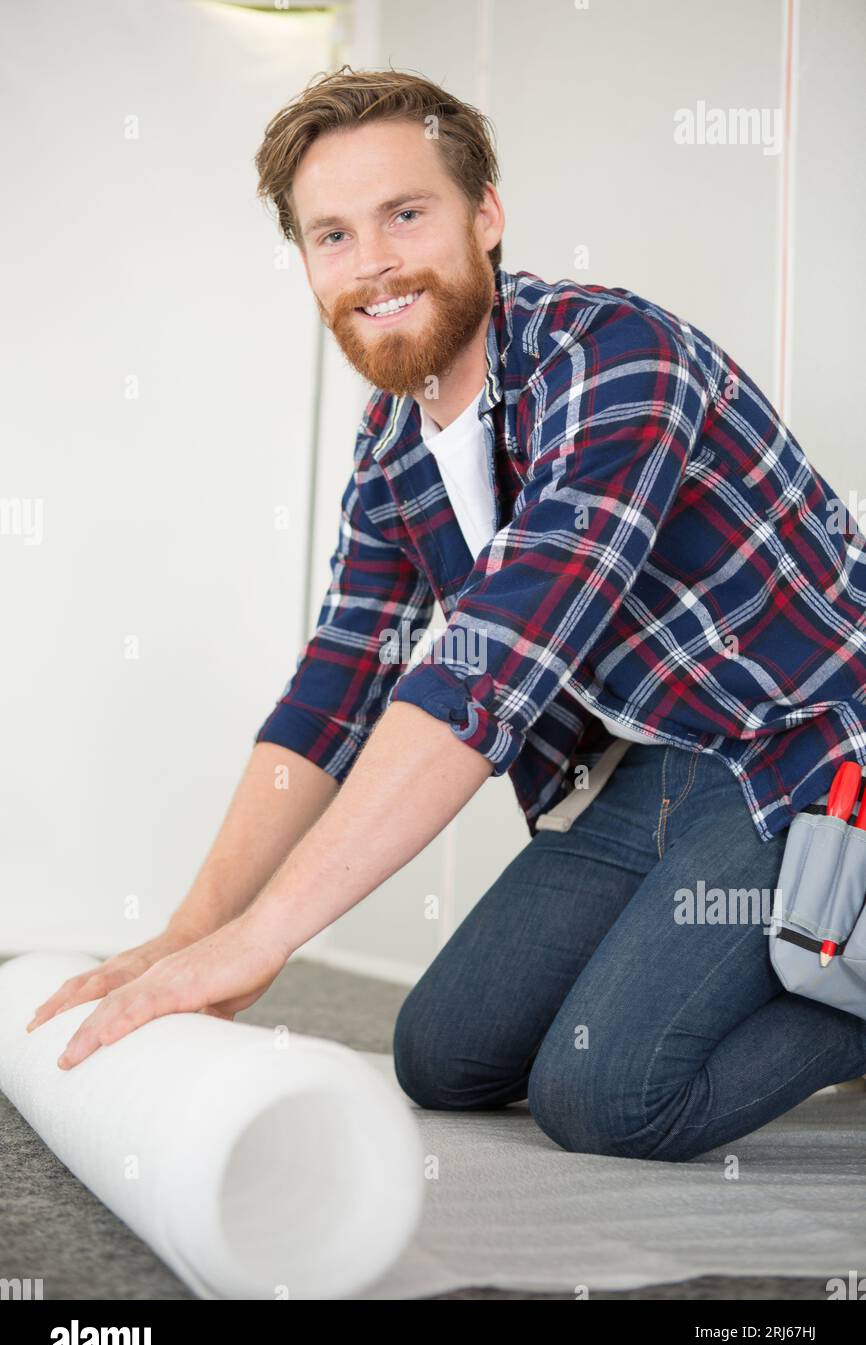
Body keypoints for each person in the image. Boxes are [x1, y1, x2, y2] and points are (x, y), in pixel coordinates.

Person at [27, 67, 866, 1161]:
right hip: (644, 775)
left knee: (602, 1095)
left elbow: (482, 679)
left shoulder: (616, 362)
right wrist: (196, 934)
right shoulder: (393, 448)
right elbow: (332, 696)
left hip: (800, 755)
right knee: (443, 1055)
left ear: (485, 214)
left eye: (404, 215)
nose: (369, 263)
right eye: (331, 236)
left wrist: (263, 940)